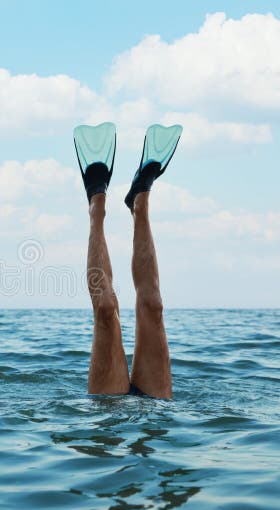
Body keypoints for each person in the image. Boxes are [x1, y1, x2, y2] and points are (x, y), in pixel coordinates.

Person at [74, 123, 182, 398]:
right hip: (111, 409)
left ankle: (138, 202)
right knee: (106, 310)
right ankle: (97, 205)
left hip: (143, 408)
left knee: (153, 306)